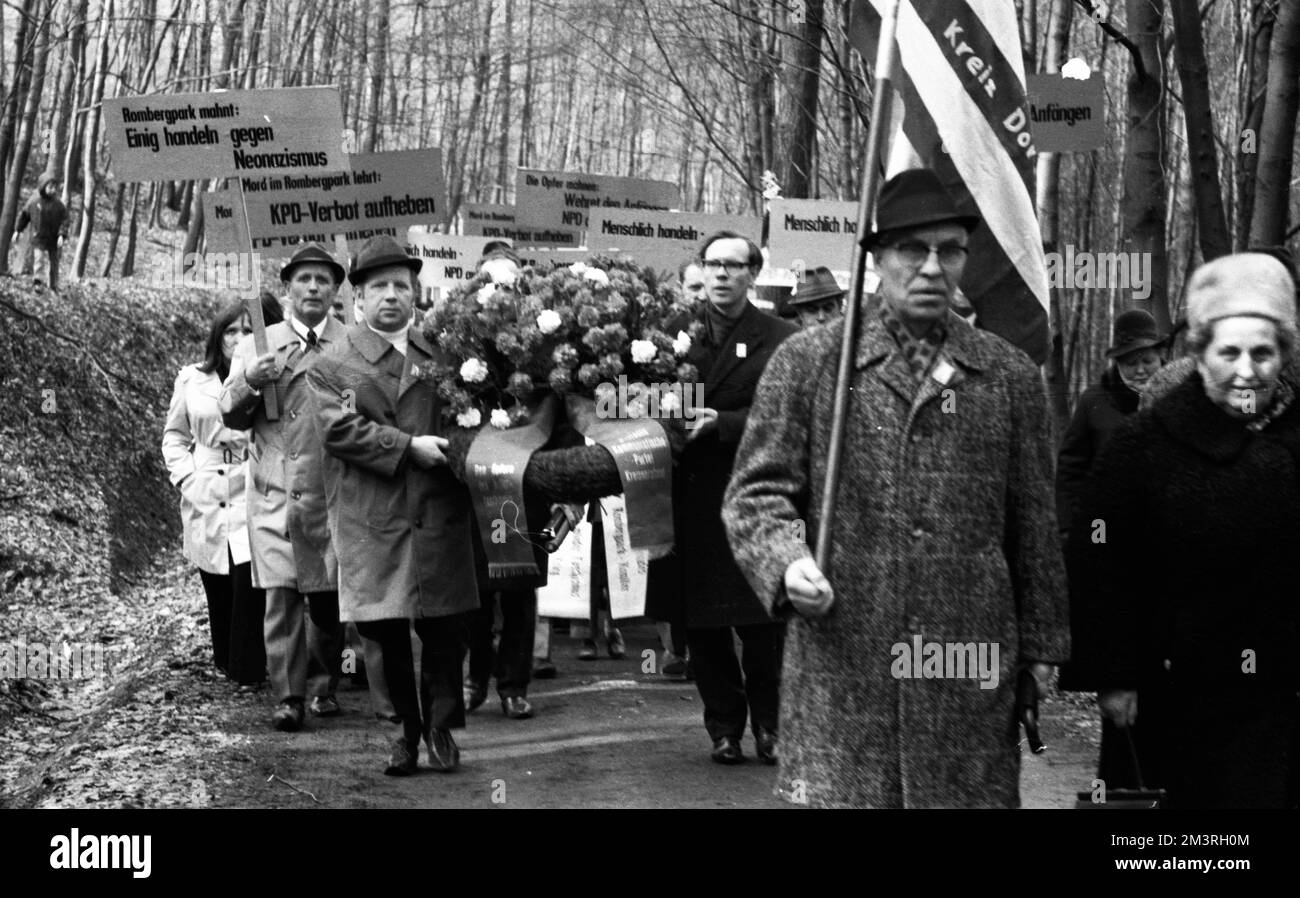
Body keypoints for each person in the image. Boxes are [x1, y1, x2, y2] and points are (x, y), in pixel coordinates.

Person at [722, 169, 1068, 807]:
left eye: (951, 250)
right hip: (843, 667)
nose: (934, 267)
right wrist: (787, 561)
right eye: (914, 249)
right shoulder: (809, 363)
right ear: (878, 257)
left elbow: (1035, 525)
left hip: (967, 671)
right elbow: (756, 495)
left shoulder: (1008, 375)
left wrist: (1042, 647)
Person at [1072, 252, 1300, 809]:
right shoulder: (1143, 445)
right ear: (1199, 354)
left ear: (1284, 357)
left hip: (1278, 696)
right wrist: (1115, 674)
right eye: (1229, 352)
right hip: (1167, 696)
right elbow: (1100, 560)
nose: (1247, 370)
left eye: (1263, 353)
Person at [307, 234, 479, 776]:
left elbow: (471, 419)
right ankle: (400, 733)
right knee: (381, 634)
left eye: (400, 286)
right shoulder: (332, 363)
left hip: (440, 512)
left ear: (416, 292)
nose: (390, 296)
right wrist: (408, 447)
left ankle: (441, 727)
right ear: (356, 298)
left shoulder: (447, 354)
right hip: (370, 516)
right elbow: (339, 431)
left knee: (446, 628)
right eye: (378, 286)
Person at [645, 230, 798, 766]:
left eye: (734, 266)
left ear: (753, 274)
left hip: (754, 497)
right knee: (704, 625)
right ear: (701, 270)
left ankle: (771, 726)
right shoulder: (668, 334)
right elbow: (639, 397)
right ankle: (724, 728)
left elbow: (790, 416)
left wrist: (726, 424)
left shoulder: (780, 337)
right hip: (687, 498)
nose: (721, 275)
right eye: (713, 265)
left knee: (761, 624)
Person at [220, 245, 347, 732]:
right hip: (274, 488)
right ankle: (289, 695)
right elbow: (230, 412)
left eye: (322, 279)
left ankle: (323, 685)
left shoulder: (353, 342)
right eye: (304, 279)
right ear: (288, 288)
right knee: (281, 596)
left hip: (333, 490)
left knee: (329, 598)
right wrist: (250, 380)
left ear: (336, 290)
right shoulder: (259, 343)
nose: (313, 288)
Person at [162, 296, 282, 688]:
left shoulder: (275, 377)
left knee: (249, 577)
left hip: (254, 481)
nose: (239, 338)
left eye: (249, 330)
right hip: (207, 489)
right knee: (217, 578)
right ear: (218, 336)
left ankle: (250, 669)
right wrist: (185, 477)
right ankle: (228, 660)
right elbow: (175, 436)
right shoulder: (192, 379)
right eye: (231, 331)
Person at [1055, 309, 1165, 542]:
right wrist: (1070, 527)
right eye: (1130, 363)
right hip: (1107, 527)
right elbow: (1070, 470)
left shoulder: (1182, 396)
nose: (1141, 370)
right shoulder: (1094, 401)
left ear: (1161, 357)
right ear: (1117, 363)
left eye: (1148, 361)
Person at [15, 174, 68, 290]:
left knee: (54, 262)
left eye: (54, 187)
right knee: (39, 260)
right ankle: (38, 282)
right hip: (39, 237)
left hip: (54, 239)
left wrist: (61, 235)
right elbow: (24, 216)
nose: (53, 189)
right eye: (50, 187)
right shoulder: (34, 202)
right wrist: (18, 230)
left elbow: (65, 220)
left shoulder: (59, 205)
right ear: (43, 186)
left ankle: (53, 284)